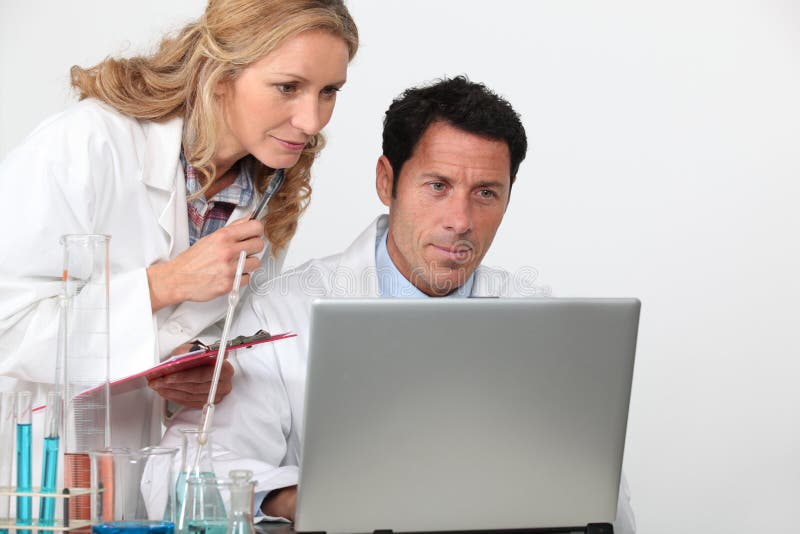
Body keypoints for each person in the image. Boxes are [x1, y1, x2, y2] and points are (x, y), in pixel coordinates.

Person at [160, 76, 636, 533]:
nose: (460, 221)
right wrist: (299, 497)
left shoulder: (544, 322)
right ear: (387, 182)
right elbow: (185, 465)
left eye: (486, 194)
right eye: (438, 186)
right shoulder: (281, 311)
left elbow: (602, 497)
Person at [0, 0, 358, 449]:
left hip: (140, 477)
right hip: (34, 468)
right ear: (219, 74)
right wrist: (165, 284)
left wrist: (193, 366)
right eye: (288, 87)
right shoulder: (88, 145)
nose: (312, 121)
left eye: (329, 91)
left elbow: (204, 335)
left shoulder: (269, 192)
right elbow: (8, 327)